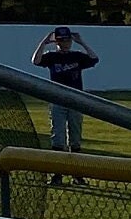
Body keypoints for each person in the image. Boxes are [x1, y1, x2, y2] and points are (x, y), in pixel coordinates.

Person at [31, 26, 100, 160]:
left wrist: (82, 42)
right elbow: (36, 61)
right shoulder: (52, 57)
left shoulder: (77, 56)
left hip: (76, 100)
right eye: (62, 41)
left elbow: (94, 59)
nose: (66, 44)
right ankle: (58, 172)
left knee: (75, 136)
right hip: (57, 100)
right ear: (56, 42)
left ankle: (76, 171)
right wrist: (44, 42)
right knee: (58, 136)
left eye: (68, 41)